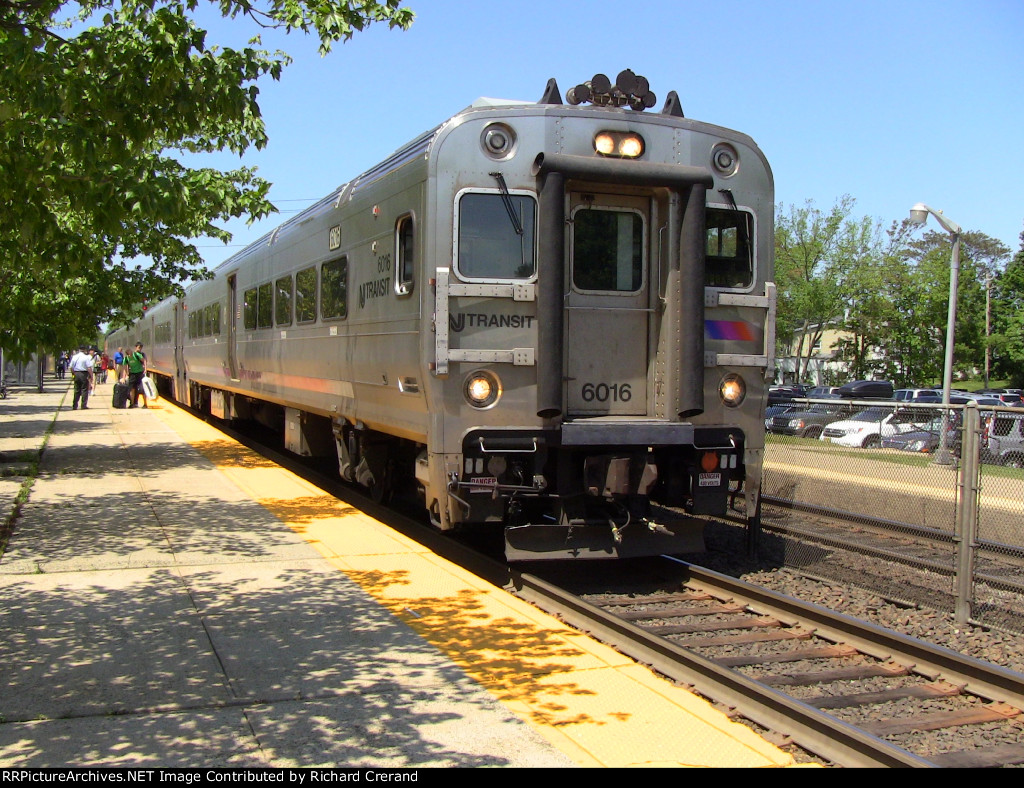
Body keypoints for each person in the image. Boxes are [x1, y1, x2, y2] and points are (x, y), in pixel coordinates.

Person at [69, 346, 94, 410]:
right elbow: (89, 368)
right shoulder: (86, 357)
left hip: (76, 373)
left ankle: (74, 405)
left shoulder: (74, 357)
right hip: (84, 374)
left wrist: (73, 374)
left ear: (79, 350)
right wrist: (91, 376)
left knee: (76, 390)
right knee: (84, 390)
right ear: (85, 350)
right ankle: (83, 405)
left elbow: (71, 367)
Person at [125, 342, 148, 408]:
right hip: (132, 374)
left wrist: (145, 369)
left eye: (141, 347)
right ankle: (133, 403)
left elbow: (144, 361)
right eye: (139, 347)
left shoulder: (142, 354)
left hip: (140, 373)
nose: (140, 349)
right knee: (132, 389)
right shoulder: (132, 354)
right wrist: (127, 372)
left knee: (143, 389)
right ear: (136, 347)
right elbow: (127, 363)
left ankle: (145, 404)